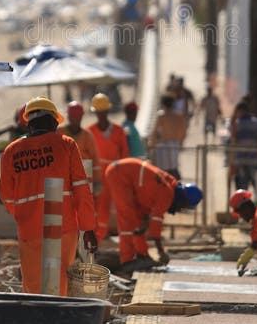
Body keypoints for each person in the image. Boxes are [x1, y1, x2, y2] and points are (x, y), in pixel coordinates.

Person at [0, 96, 97, 296]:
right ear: (53, 121)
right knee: (59, 281)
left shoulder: (12, 151)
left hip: (29, 230)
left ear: (29, 123)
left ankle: (37, 323)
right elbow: (81, 189)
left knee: (33, 285)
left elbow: (7, 196)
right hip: (64, 228)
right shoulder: (66, 144)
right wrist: (88, 227)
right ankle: (56, 323)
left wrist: (25, 215)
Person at [104, 157, 203, 273]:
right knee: (127, 218)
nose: (180, 209)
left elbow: (148, 219)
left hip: (124, 172)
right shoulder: (167, 194)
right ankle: (127, 261)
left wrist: (145, 223)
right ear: (184, 200)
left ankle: (142, 255)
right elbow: (154, 230)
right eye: (184, 206)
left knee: (139, 221)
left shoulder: (168, 186)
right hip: (120, 174)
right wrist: (161, 252)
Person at [88, 92, 129, 239]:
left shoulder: (118, 132)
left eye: (103, 112)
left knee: (115, 207)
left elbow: (124, 155)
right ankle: (96, 237)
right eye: (99, 113)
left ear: (107, 112)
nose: (101, 115)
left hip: (114, 174)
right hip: (96, 176)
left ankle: (105, 236)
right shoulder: (90, 132)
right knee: (96, 207)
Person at [59, 101, 102, 192]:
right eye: (73, 118)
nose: (75, 120)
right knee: (63, 203)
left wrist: (97, 180)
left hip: (84, 175)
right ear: (69, 117)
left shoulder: (87, 136)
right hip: (64, 175)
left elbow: (95, 159)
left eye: (77, 118)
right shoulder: (59, 133)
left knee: (83, 203)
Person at [148, 93, 187, 180]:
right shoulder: (179, 116)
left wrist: (152, 145)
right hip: (175, 145)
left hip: (163, 147)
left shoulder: (161, 115)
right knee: (174, 169)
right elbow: (184, 132)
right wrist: (180, 142)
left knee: (163, 172)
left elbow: (154, 132)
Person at [229, 101, 257, 191]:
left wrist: (232, 162)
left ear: (240, 111)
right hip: (255, 160)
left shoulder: (236, 124)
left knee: (242, 191)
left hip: (241, 161)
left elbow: (233, 141)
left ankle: (243, 205)